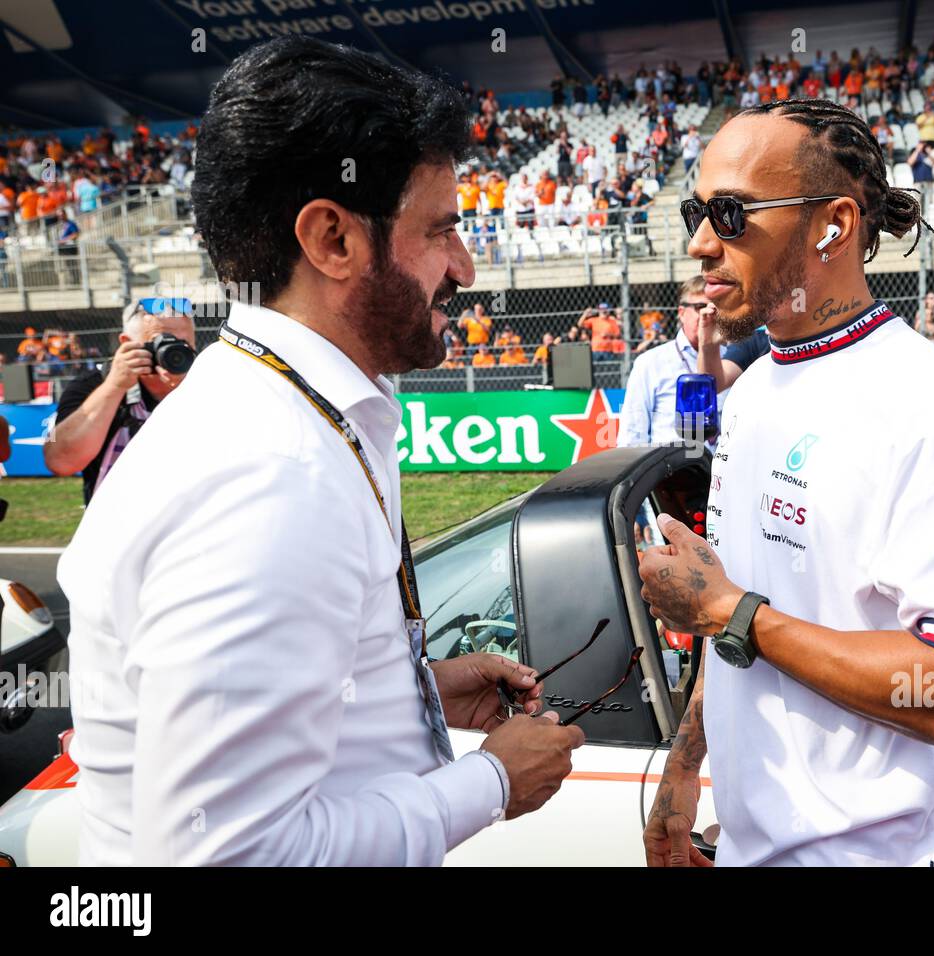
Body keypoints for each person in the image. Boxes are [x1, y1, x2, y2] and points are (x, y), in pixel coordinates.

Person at [56, 36, 581, 866]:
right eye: (440, 231)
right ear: (333, 239)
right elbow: (227, 856)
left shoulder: (283, 414)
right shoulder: (272, 475)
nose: (466, 267)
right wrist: (492, 784)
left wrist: (410, 694)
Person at [641, 99, 934, 868]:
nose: (698, 243)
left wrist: (732, 611)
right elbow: (740, 614)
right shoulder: (756, 386)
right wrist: (685, 768)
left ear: (833, 225)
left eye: (729, 213)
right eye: (698, 210)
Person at [44, 298, 196, 504]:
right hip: (119, 521)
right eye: (162, 342)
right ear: (126, 343)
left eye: (184, 344)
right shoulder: (92, 386)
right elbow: (59, 461)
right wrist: (115, 386)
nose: (174, 352)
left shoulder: (208, 386)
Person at [617, 276, 709, 446]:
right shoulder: (651, 362)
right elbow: (632, 435)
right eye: (700, 307)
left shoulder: (733, 360)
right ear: (681, 313)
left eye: (715, 307)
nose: (708, 314)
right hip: (674, 469)